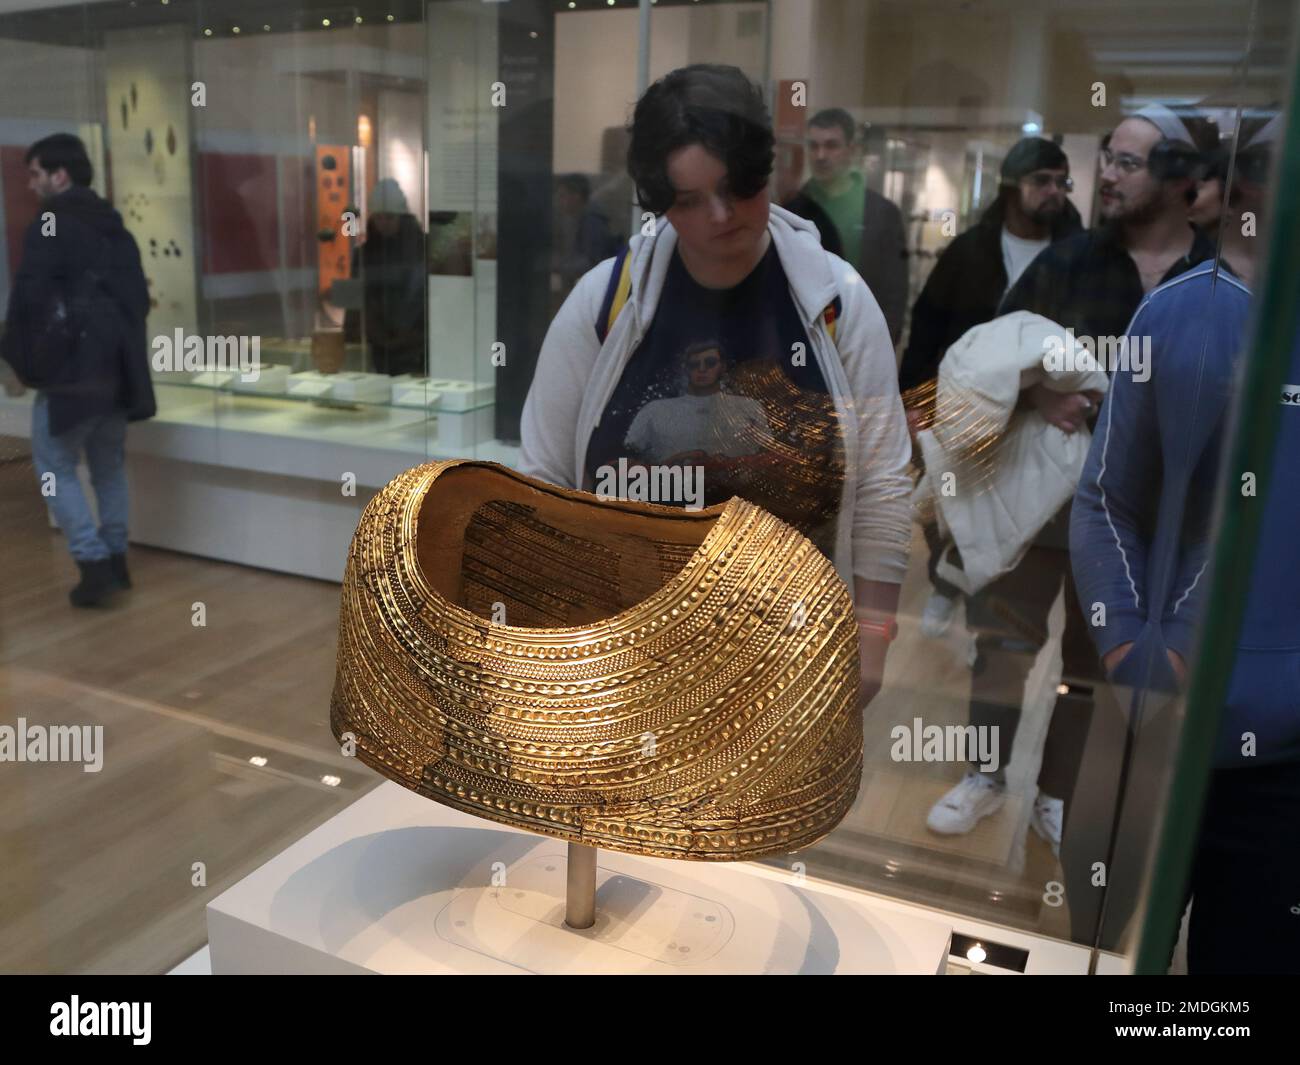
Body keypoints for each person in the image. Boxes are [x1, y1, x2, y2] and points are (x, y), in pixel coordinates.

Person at [520, 63, 912, 709]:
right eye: (690, 200)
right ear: (659, 202)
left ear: (766, 170)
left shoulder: (836, 303)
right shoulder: (604, 303)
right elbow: (543, 480)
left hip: (790, 656)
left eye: (738, 188)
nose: (722, 216)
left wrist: (872, 639)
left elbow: (883, 481)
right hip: (627, 658)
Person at [924, 105, 1217, 865]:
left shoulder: (1214, 280)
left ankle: (1055, 793)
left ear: (1178, 177)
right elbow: (986, 357)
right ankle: (985, 774)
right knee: (1002, 644)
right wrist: (1035, 394)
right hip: (1038, 504)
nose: (1105, 175)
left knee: (1093, 664)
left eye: (1126, 163)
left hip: (1137, 519)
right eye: (1108, 157)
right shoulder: (1067, 261)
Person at [1070, 117, 1297, 967]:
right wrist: (1135, 650)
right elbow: (1107, 498)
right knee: (1104, 953)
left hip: (1282, 764)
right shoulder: (1176, 312)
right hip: (1150, 726)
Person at [900, 137, 1082, 639]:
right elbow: (929, 327)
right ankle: (944, 582)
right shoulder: (969, 250)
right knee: (948, 500)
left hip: (1039, 414)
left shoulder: (1078, 256)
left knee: (1010, 514)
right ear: (1011, 186)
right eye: (1041, 181)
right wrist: (912, 400)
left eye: (1062, 182)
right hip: (963, 404)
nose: (1054, 191)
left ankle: (987, 624)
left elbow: (1080, 343)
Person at [0, 133, 153, 607]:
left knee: (53, 467)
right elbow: (138, 302)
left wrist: (18, 359)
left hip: (72, 375)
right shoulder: (114, 225)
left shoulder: (49, 224)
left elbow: (30, 301)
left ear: (60, 175)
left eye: (35, 173)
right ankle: (116, 561)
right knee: (108, 468)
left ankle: (93, 566)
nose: (30, 183)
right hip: (118, 373)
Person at [784, 107, 909, 344]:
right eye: (814, 146)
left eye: (831, 146)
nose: (821, 155)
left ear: (852, 150)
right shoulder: (791, 210)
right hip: (804, 338)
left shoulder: (882, 213)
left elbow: (894, 293)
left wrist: (882, 343)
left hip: (863, 337)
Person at [343, 177, 426, 377]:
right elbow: (352, 301)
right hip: (378, 345)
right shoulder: (363, 254)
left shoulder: (421, 248)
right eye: (378, 218)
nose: (383, 223)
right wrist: (350, 334)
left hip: (417, 344)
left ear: (401, 217)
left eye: (389, 217)